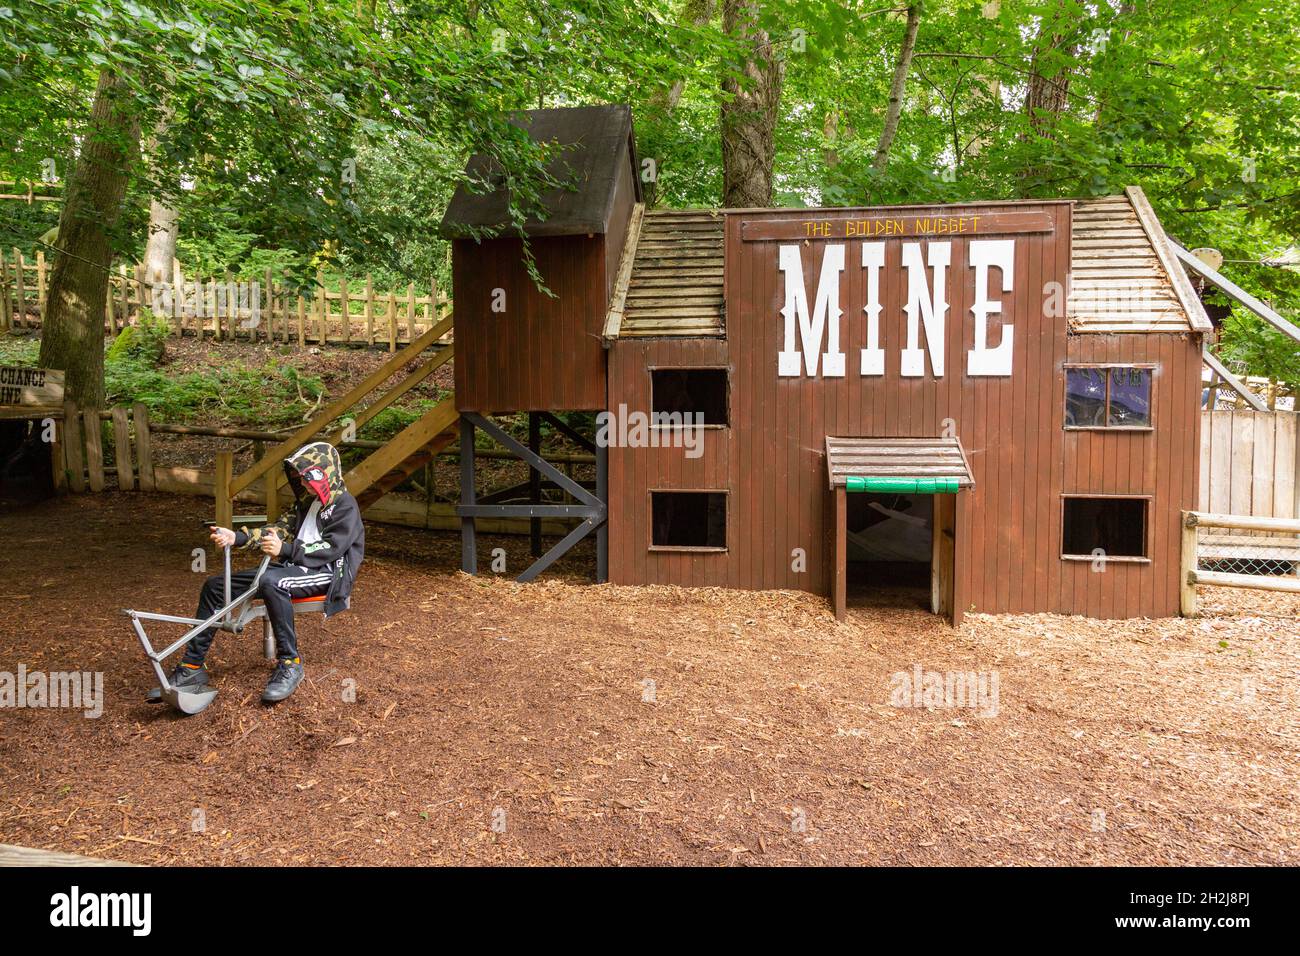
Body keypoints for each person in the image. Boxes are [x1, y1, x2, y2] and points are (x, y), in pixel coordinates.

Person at [167, 441, 364, 704]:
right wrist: (235, 537)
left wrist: (286, 550)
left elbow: (331, 547)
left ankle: (290, 663)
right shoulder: (307, 503)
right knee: (215, 585)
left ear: (323, 475)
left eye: (308, 479)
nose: (303, 485)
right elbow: (277, 531)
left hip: (328, 573)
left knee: (272, 581)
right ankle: (192, 667)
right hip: (293, 567)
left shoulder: (345, 506)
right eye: (301, 480)